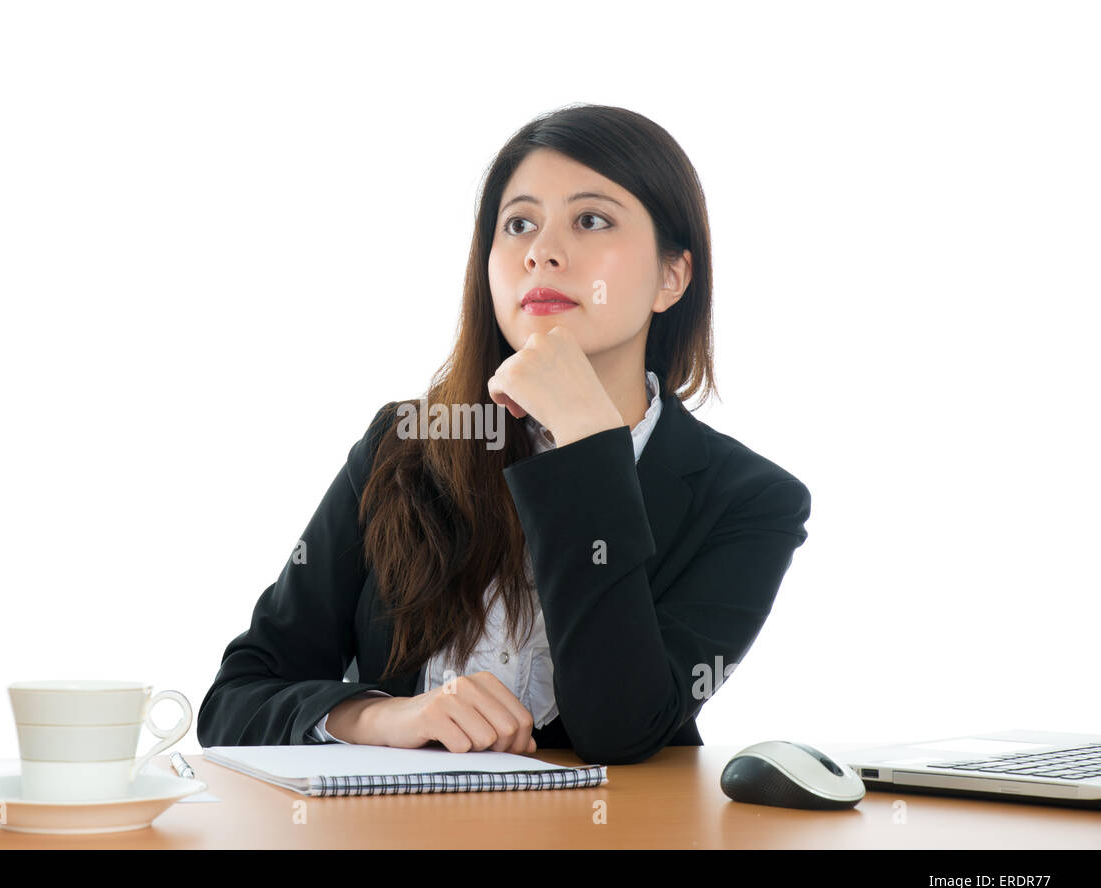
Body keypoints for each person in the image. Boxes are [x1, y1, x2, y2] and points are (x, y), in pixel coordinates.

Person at [197, 104, 812, 766]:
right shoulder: (404, 444)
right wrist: (378, 715)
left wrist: (586, 440)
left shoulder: (752, 502)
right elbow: (235, 700)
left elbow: (621, 726)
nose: (541, 251)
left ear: (672, 277)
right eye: (518, 224)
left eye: (592, 219)